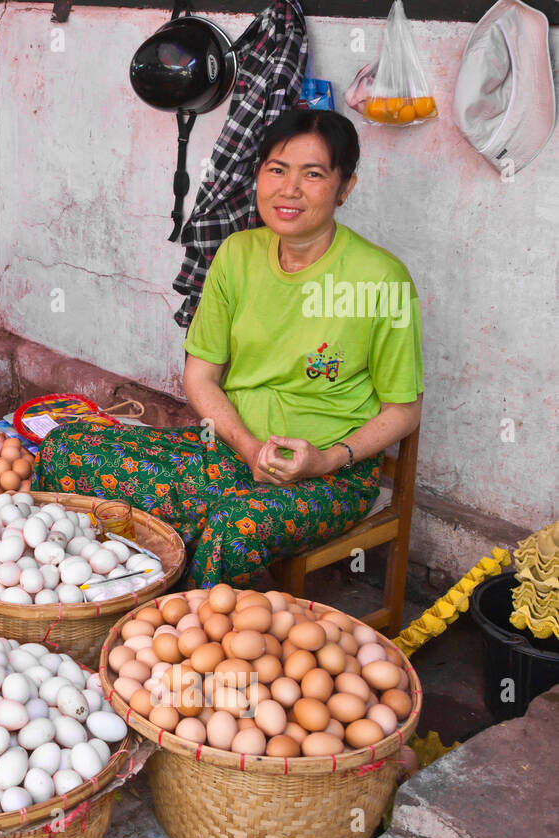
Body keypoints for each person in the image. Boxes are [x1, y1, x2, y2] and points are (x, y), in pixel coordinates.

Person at [35, 110, 424, 587]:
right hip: (230, 450)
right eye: (277, 170)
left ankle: (186, 639)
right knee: (65, 448)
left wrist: (327, 459)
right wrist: (248, 447)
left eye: (314, 174)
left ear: (346, 187)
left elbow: (404, 410)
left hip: (328, 476)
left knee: (232, 529)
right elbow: (200, 376)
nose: (290, 189)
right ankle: (105, 599)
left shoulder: (381, 279)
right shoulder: (237, 255)